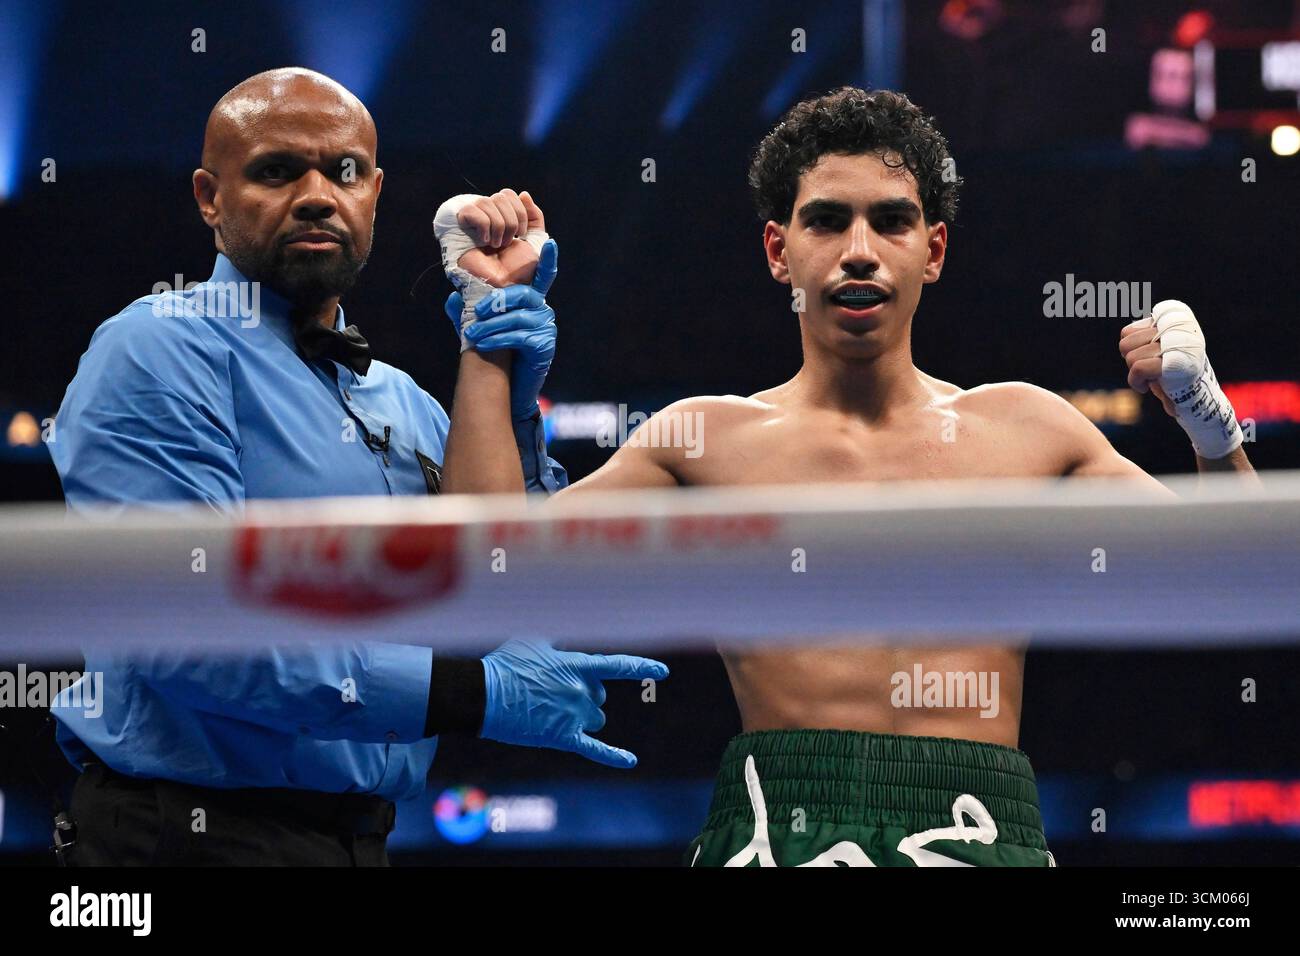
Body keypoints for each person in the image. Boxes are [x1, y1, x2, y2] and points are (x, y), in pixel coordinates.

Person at [548, 87, 1256, 866]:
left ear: (934, 249)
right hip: (772, 827)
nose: (860, 250)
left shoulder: (1026, 429)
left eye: (890, 220)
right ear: (779, 251)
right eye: (826, 220)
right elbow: (495, 564)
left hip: (980, 827)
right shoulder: (701, 440)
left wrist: (1210, 427)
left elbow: (1245, 585)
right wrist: (490, 346)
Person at [47, 67, 665, 867]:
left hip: (360, 840)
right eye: (276, 170)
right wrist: (477, 696)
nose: (315, 194)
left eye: (341, 171)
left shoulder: (403, 403)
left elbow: (496, 592)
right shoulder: (158, 348)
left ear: (373, 192)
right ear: (209, 196)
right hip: (179, 838)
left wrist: (499, 375)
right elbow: (189, 637)